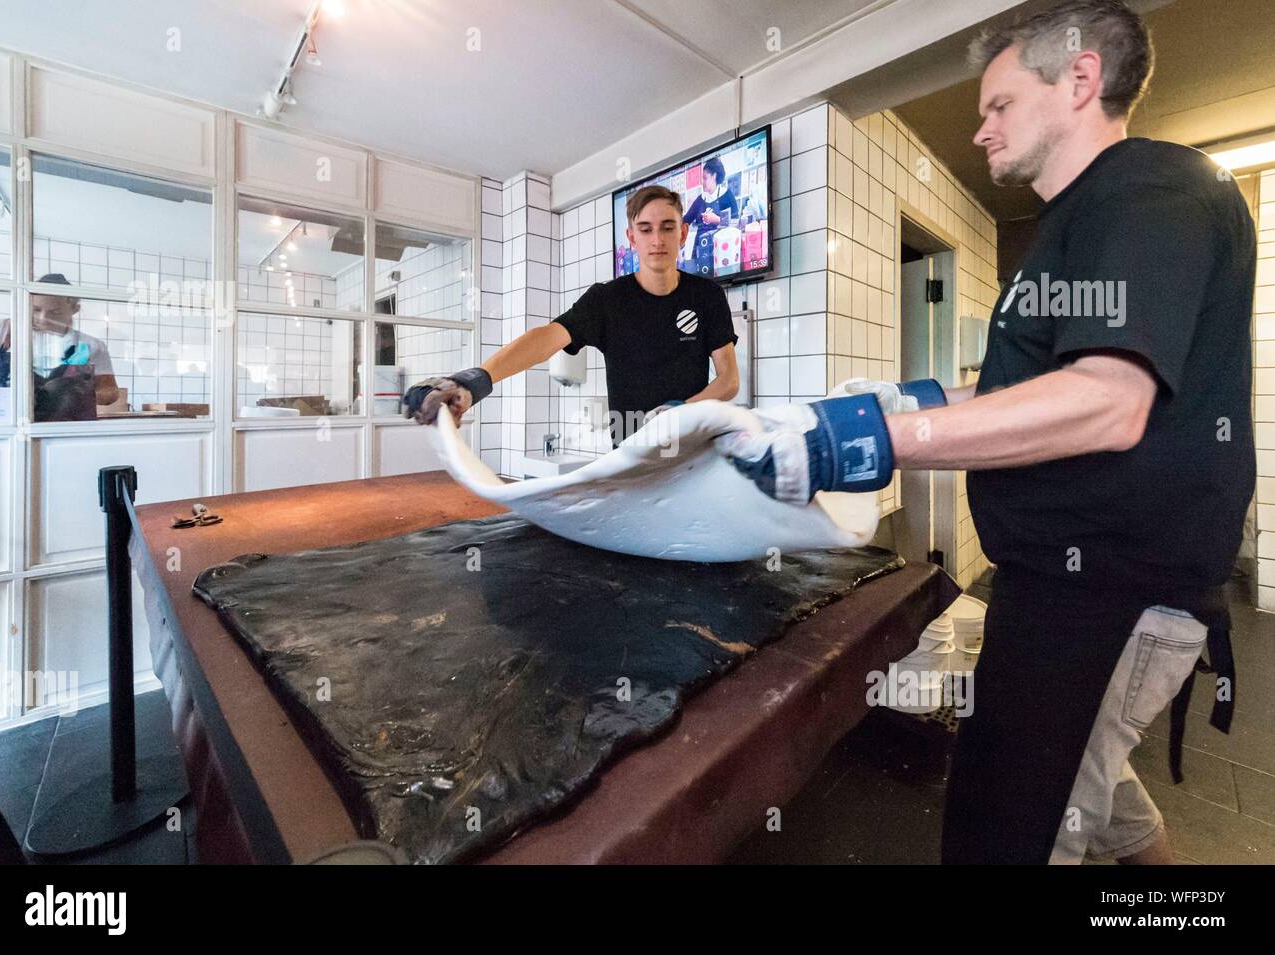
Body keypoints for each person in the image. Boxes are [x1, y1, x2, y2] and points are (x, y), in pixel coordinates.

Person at [718, 0, 1255, 865]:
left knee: (1005, 836)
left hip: (1108, 594)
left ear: (1081, 78)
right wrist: (900, 397)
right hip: (1065, 582)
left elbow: (1106, 401)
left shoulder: (1152, 189)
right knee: (1095, 781)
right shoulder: (1074, 227)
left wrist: (856, 441)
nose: (981, 130)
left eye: (999, 104)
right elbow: (1019, 385)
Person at [405, 184, 739, 446]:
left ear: (682, 234)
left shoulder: (706, 295)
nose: (657, 240)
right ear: (631, 238)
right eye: (646, 229)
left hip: (694, 443)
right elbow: (546, 339)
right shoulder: (607, 300)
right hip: (631, 453)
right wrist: (476, 380)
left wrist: (676, 413)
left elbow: (728, 380)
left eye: (667, 228)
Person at [0, 273, 119, 419]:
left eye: (55, 312)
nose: (42, 319)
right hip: (7, 425)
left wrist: (78, 393)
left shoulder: (91, 345)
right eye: (36, 310)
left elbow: (110, 391)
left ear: (75, 309)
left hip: (67, 429)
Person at [681, 157, 740, 278]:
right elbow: (685, 220)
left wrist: (716, 220)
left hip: (721, 251)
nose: (702, 182)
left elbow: (737, 223)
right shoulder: (700, 200)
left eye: (705, 178)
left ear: (714, 176)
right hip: (699, 250)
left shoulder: (727, 195)